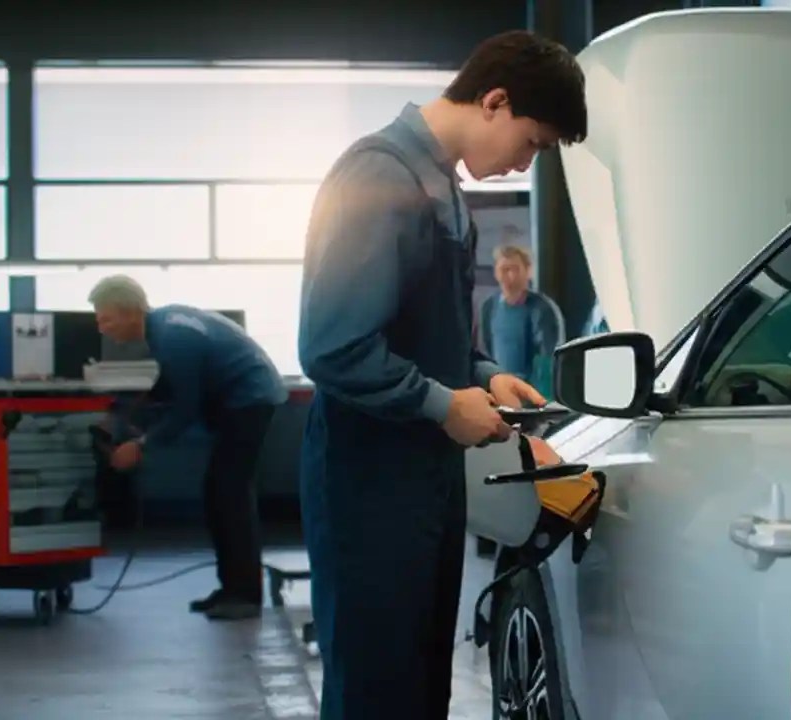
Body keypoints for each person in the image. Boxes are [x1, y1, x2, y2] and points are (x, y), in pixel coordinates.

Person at [297, 30, 587, 720]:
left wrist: (484, 378)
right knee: (377, 685)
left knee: (421, 678)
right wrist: (439, 403)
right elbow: (333, 348)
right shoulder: (379, 175)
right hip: (366, 485)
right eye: (533, 143)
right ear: (494, 101)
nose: (525, 162)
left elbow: (429, 336)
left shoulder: (441, 189)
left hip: (416, 480)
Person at [89, 275, 287, 621]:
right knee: (219, 494)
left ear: (130, 312)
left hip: (249, 399)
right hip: (242, 397)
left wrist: (141, 445)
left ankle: (244, 595)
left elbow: (184, 409)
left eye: (106, 318)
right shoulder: (165, 326)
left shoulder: (172, 339)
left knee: (230, 495)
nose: (102, 328)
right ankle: (232, 588)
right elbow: (167, 389)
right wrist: (121, 416)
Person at [477, 242, 564, 399]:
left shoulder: (542, 309)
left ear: (528, 271)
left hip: (532, 394)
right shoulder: (489, 307)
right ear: (496, 273)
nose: (509, 276)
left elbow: (548, 361)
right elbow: (486, 350)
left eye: (515, 269)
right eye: (504, 269)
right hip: (501, 392)